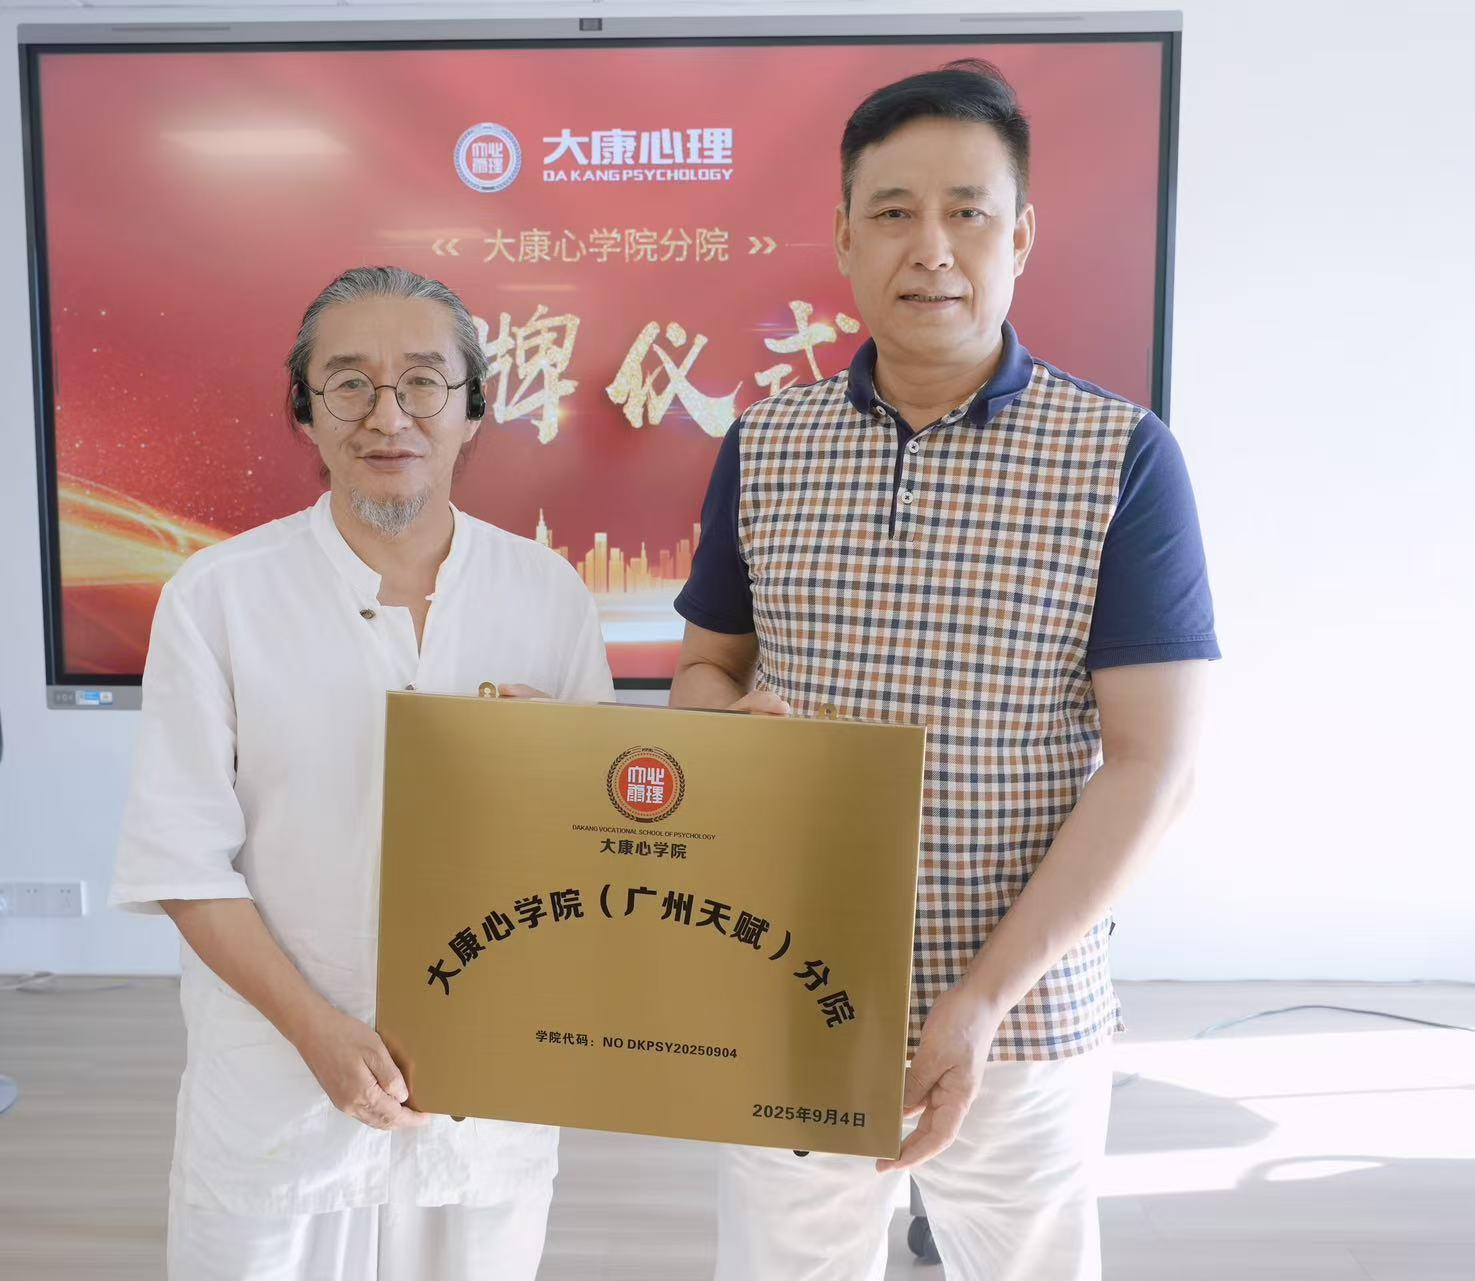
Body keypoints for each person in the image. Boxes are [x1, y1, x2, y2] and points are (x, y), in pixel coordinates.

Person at [671, 61, 1219, 1281]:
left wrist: (977, 1003)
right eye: (892, 211)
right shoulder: (765, 442)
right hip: (784, 983)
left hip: (1023, 1015)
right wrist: (723, 725)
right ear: (842, 238)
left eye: (967, 211)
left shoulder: (1120, 456)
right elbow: (705, 669)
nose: (930, 248)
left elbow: (1155, 767)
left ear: (1018, 236)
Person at [110, 265, 613, 1279]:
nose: (389, 416)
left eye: (423, 381)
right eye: (349, 384)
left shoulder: (547, 593)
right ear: (305, 411)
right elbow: (184, 862)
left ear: (473, 408)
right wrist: (318, 1033)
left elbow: (602, 850)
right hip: (278, 1091)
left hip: (486, 1093)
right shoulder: (219, 596)